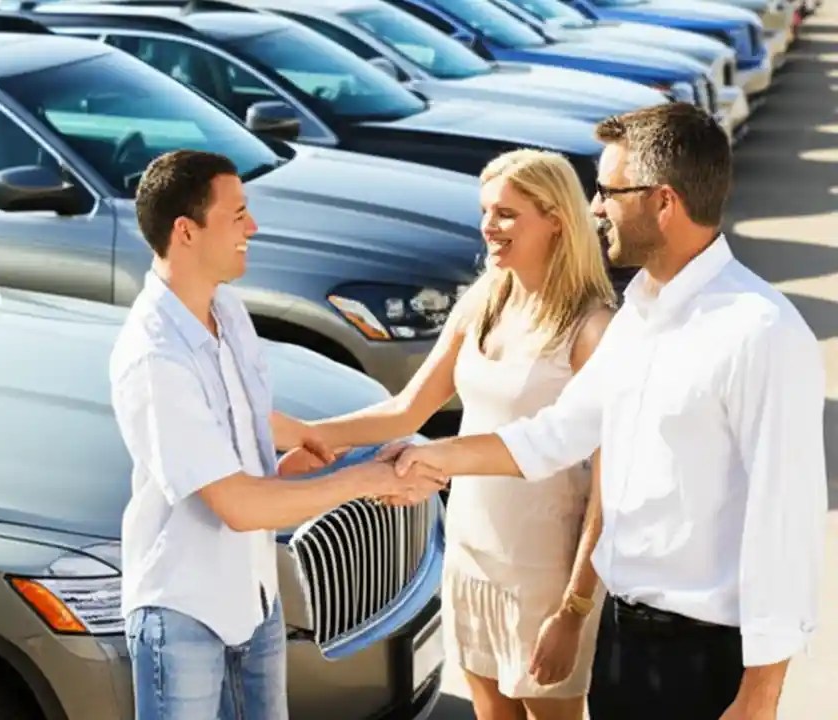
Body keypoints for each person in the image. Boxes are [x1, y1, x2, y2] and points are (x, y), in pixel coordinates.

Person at [383, 102, 827, 720]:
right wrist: (431, 455)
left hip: (705, 659)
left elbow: (786, 520)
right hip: (623, 641)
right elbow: (555, 435)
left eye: (610, 191)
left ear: (663, 202)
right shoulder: (640, 311)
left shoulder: (760, 332)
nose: (594, 208)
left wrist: (761, 692)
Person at [107, 149, 444, 720]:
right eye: (237, 214)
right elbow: (237, 505)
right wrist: (362, 479)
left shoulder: (227, 310)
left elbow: (248, 413)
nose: (253, 227)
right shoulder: (154, 357)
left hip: (254, 597)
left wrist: (309, 441)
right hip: (184, 612)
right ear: (186, 232)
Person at [282, 148, 616, 720]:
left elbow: (609, 490)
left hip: (545, 571)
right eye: (487, 211)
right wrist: (309, 435)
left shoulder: (593, 327)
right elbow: (407, 411)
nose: (489, 225)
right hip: (467, 554)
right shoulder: (484, 299)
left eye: (507, 213)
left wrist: (575, 607)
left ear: (556, 218)